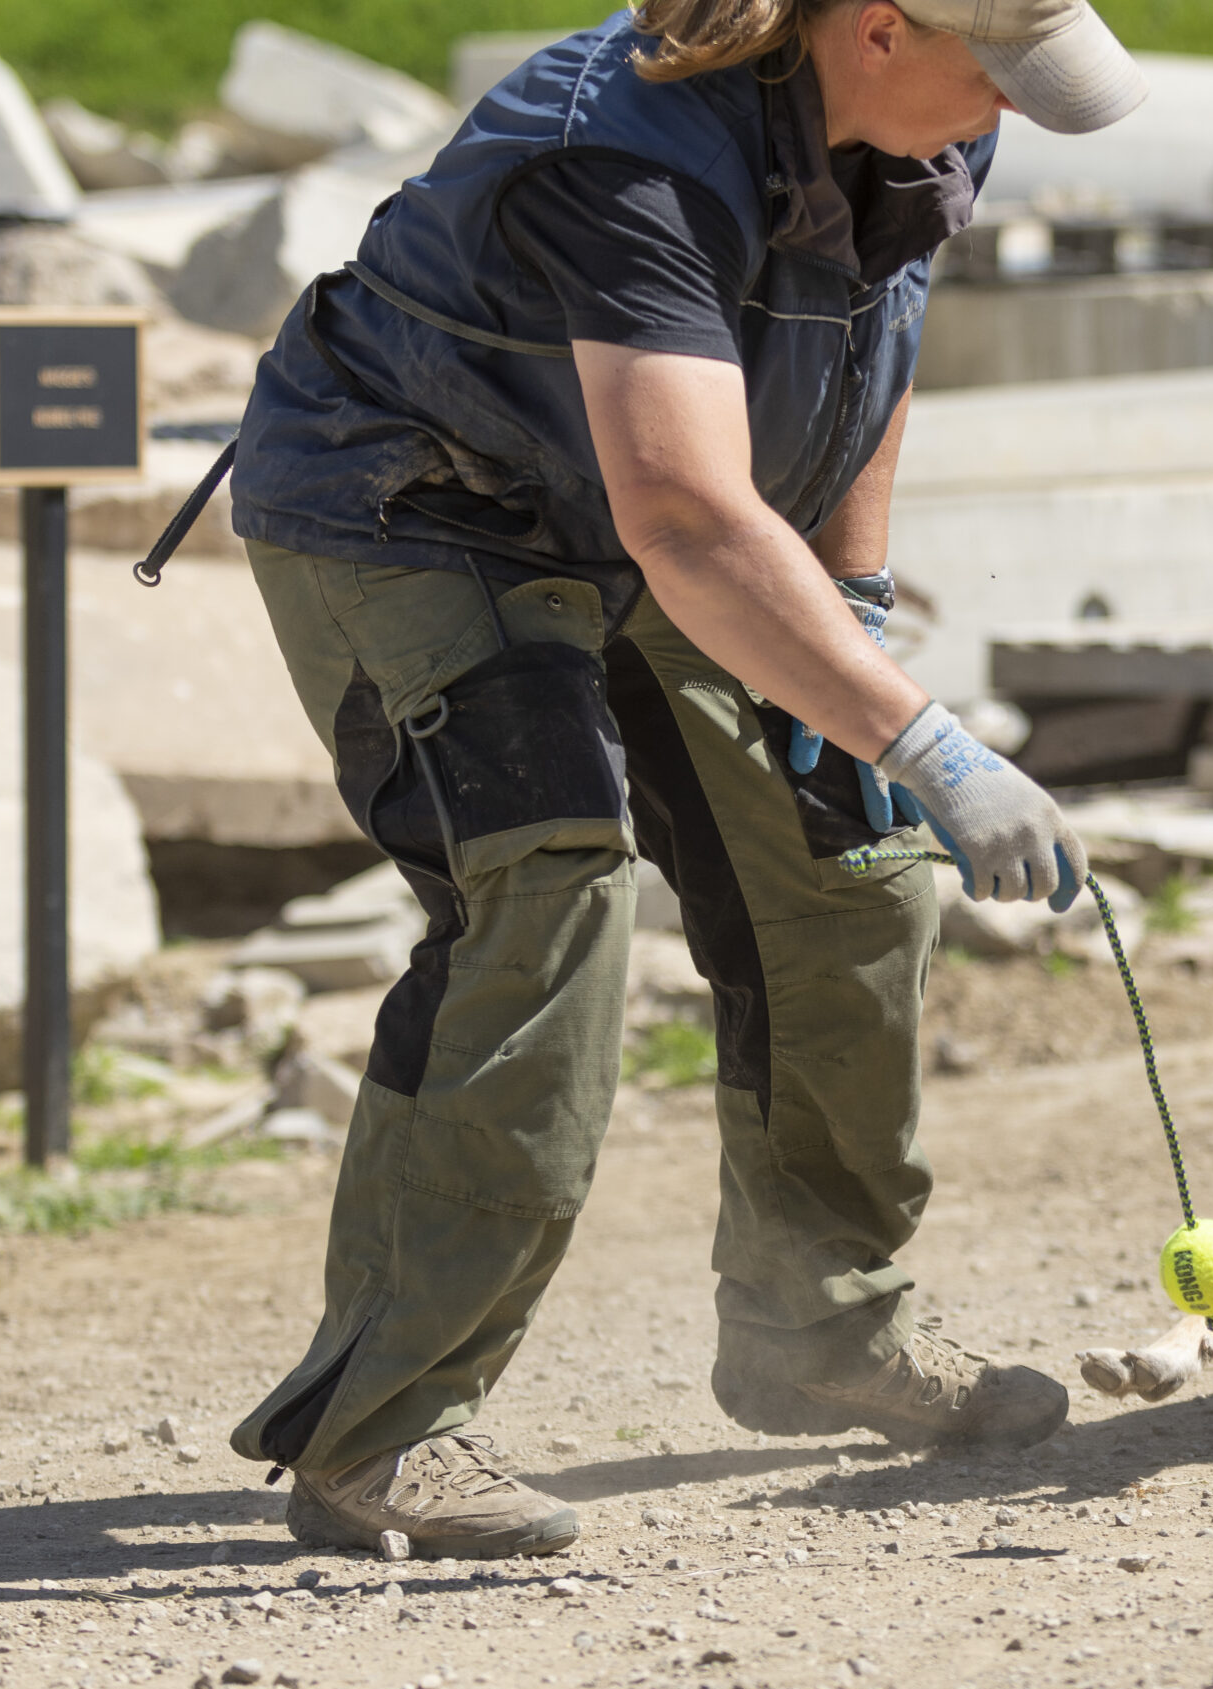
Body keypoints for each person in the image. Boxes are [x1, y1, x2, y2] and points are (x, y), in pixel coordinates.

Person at [220, 0, 1147, 1560]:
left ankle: (823, 1333)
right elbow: (687, 519)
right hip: (423, 505)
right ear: (872, 29)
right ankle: (382, 1433)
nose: (1009, 113)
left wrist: (851, 625)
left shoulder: (931, 119)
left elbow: (873, 349)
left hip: (660, 524)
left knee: (855, 873)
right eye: (993, 71)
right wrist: (924, 735)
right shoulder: (629, 150)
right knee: (549, 899)